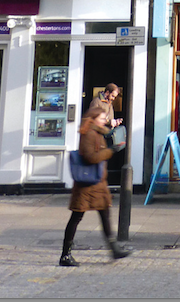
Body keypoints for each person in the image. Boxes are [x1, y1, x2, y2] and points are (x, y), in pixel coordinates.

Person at [59, 106, 132, 267]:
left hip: (97, 185)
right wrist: (110, 152)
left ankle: (114, 250)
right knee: (76, 217)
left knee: (105, 214)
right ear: (93, 119)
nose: (104, 120)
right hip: (86, 185)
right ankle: (65, 255)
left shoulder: (98, 133)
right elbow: (90, 157)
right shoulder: (89, 134)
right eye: (101, 118)